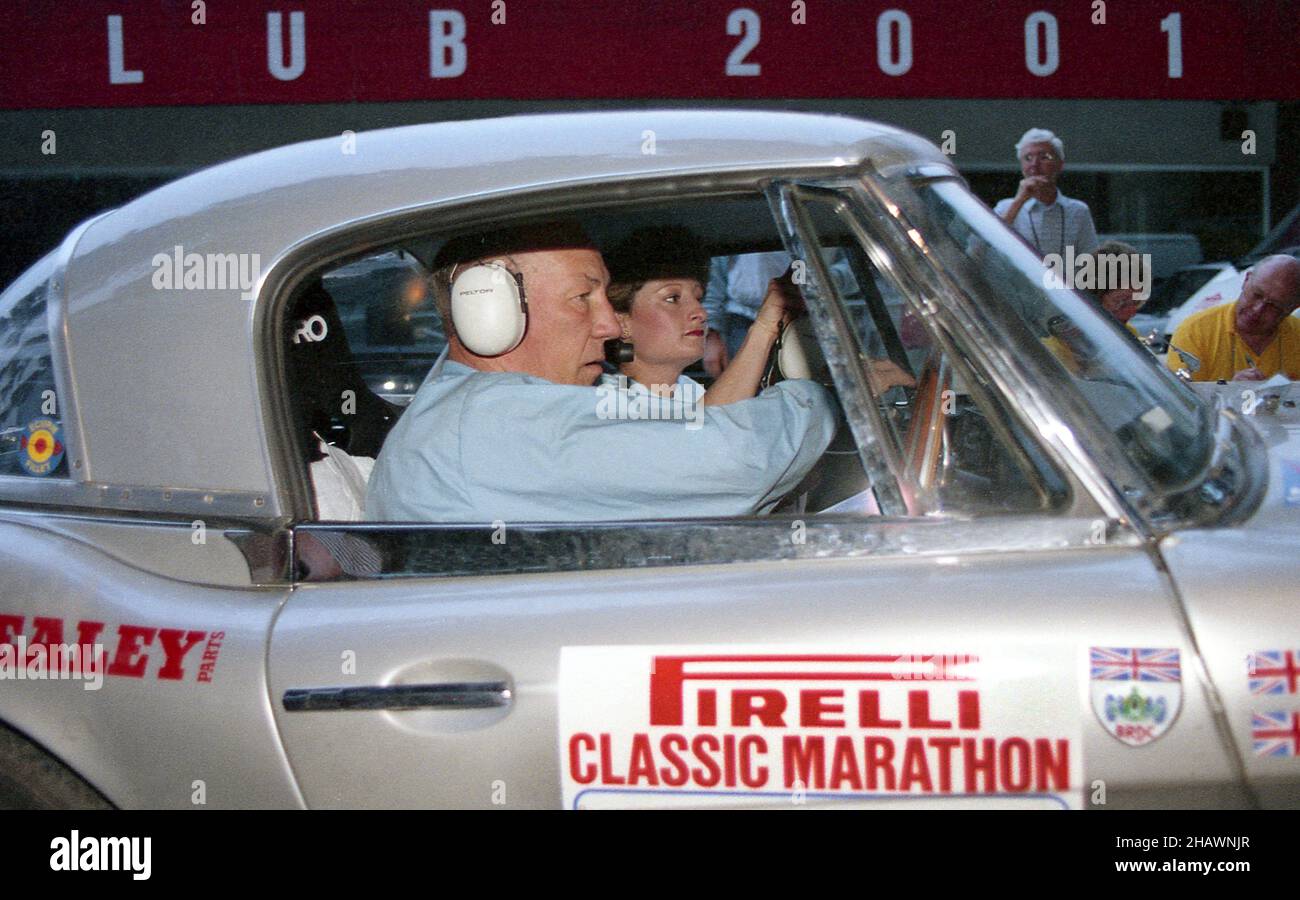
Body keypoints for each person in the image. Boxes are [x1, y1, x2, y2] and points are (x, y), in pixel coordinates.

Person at [363, 222, 836, 522]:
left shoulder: (477, 405)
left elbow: (689, 432)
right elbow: (740, 461)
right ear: (490, 311)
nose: (609, 324)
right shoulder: (495, 420)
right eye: (582, 298)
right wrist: (819, 394)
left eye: (606, 297)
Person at [604, 227, 798, 406]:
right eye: (672, 298)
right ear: (623, 322)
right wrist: (764, 329)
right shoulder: (607, 398)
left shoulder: (690, 392)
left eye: (699, 298)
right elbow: (701, 433)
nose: (701, 313)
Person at [1165, 254, 1300, 382]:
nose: (1258, 309)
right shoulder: (1194, 331)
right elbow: (1182, 400)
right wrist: (1230, 390)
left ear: (1293, 307)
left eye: (1273, 305)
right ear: (1246, 280)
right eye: (1256, 295)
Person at [994, 128, 1098, 260]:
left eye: (1044, 157)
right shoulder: (1006, 208)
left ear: (1059, 164)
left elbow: (1091, 261)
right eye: (1028, 158)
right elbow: (985, 245)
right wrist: (1019, 201)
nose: (1034, 165)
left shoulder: (1078, 211)